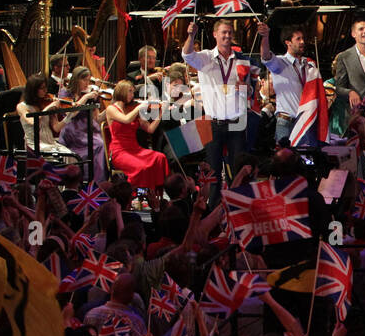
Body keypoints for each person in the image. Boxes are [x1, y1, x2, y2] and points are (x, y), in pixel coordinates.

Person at [182, 17, 253, 192]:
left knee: (238, 171)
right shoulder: (205, 57)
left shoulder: (241, 60)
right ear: (215, 35)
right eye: (224, 32)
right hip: (213, 123)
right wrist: (191, 36)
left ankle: (237, 208)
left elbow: (251, 91)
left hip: (237, 123)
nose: (227, 36)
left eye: (230, 32)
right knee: (213, 172)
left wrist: (247, 89)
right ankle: (212, 208)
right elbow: (187, 54)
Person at [104, 79, 168, 206]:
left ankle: (154, 197)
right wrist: (139, 107)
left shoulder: (133, 109)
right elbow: (126, 120)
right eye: (130, 92)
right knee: (142, 167)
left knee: (160, 157)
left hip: (135, 148)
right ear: (121, 92)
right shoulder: (111, 109)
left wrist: (161, 113)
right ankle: (133, 197)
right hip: (119, 151)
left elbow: (150, 129)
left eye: (133, 92)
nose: (132, 95)